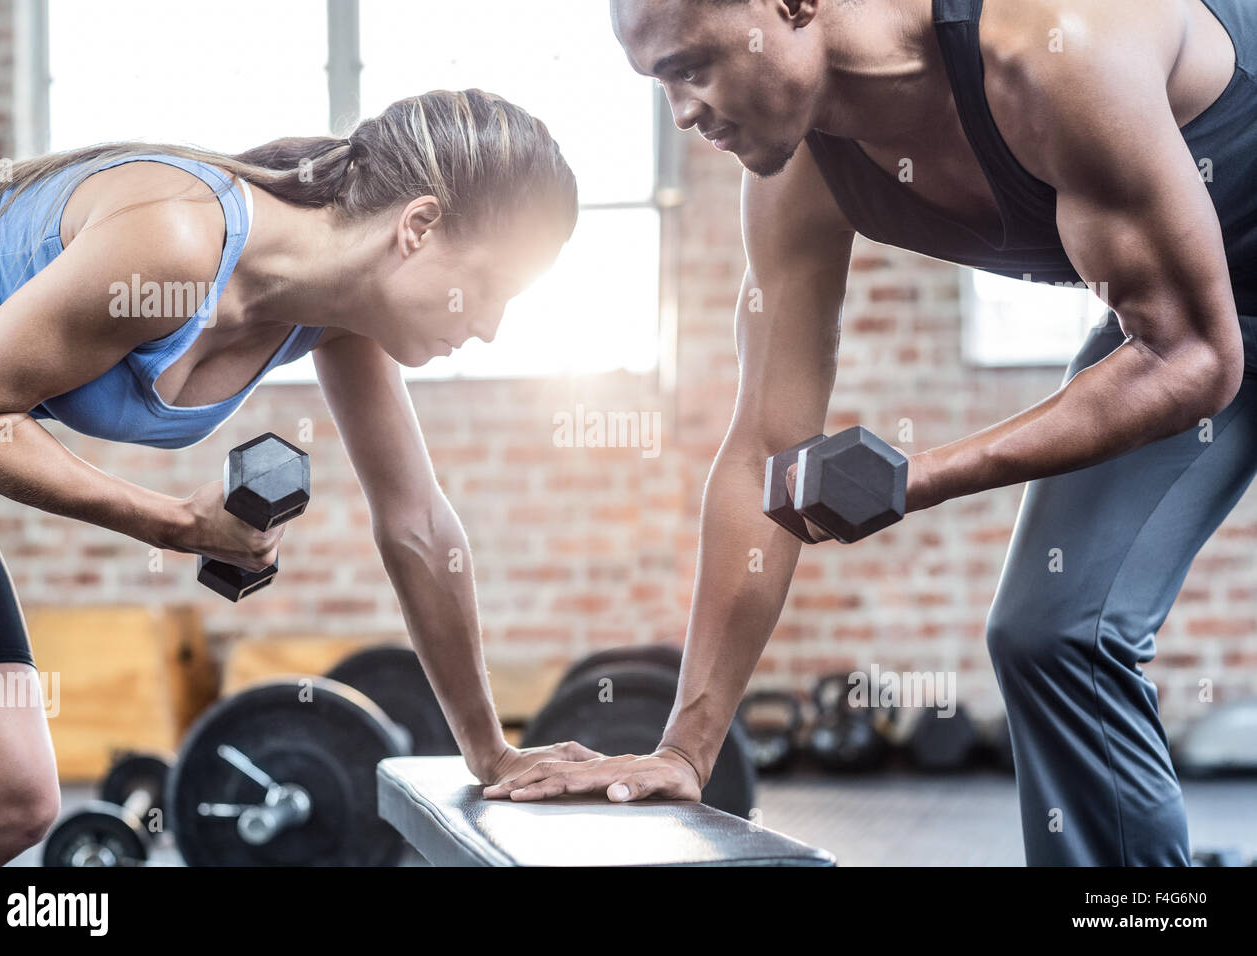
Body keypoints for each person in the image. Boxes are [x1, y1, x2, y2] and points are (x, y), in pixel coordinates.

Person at [482, 0, 1257, 866]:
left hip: (1186, 332)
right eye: (660, 82)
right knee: (1055, 633)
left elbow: (1187, 358)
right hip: (1194, 316)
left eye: (690, 68)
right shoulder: (796, 175)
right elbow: (764, 455)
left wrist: (914, 477)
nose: (683, 111)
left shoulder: (1053, 43)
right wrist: (685, 750)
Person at [0, 88, 601, 865]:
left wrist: (490, 752)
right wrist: (176, 525)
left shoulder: (336, 313)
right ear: (419, 226)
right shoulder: (178, 238)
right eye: (490, 290)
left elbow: (417, 523)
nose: (489, 327)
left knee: (6, 802)